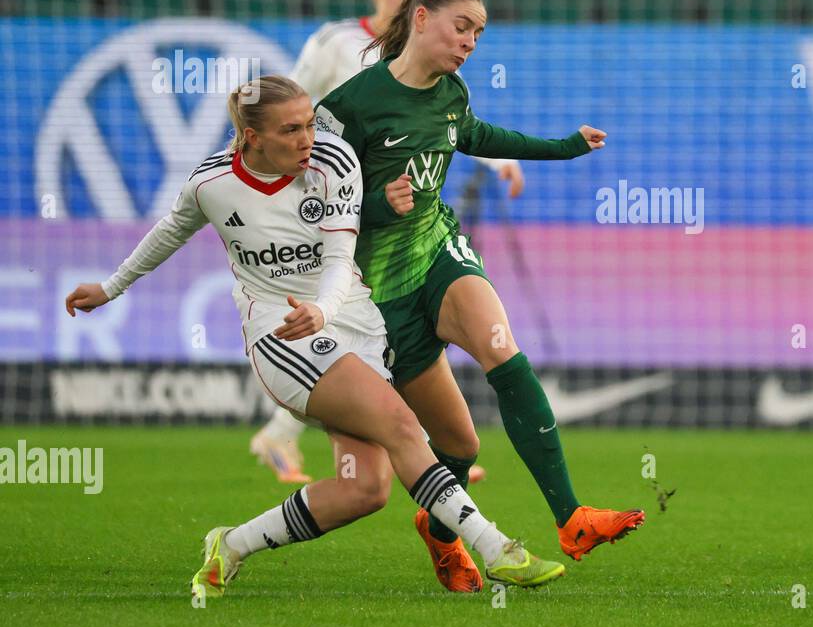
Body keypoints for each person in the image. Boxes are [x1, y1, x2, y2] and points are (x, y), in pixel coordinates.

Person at [65, 76, 564, 597]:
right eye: (291, 129)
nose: (308, 138)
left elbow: (338, 254)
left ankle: (231, 544)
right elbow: (169, 231)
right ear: (251, 138)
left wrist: (325, 311)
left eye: (309, 123)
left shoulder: (335, 162)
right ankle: (499, 550)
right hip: (283, 334)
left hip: (350, 320)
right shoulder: (210, 184)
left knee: (364, 489)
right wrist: (110, 287)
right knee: (401, 427)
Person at [315, 0, 645, 575]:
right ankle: (441, 532)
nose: (470, 42)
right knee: (461, 447)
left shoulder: (452, 93)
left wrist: (565, 146)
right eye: (461, 26)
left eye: (479, 33)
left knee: (503, 350)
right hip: (380, 293)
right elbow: (312, 212)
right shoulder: (346, 107)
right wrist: (377, 205)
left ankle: (571, 518)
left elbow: (480, 136)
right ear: (419, 18)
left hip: (439, 252)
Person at [249, 0, 520, 484]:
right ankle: (418, 445)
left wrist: (501, 157)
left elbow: (444, 122)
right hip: (333, 211)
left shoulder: (426, 57)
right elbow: (284, 103)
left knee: (372, 331)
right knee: (354, 328)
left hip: (390, 220)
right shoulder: (336, 43)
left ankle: (414, 443)